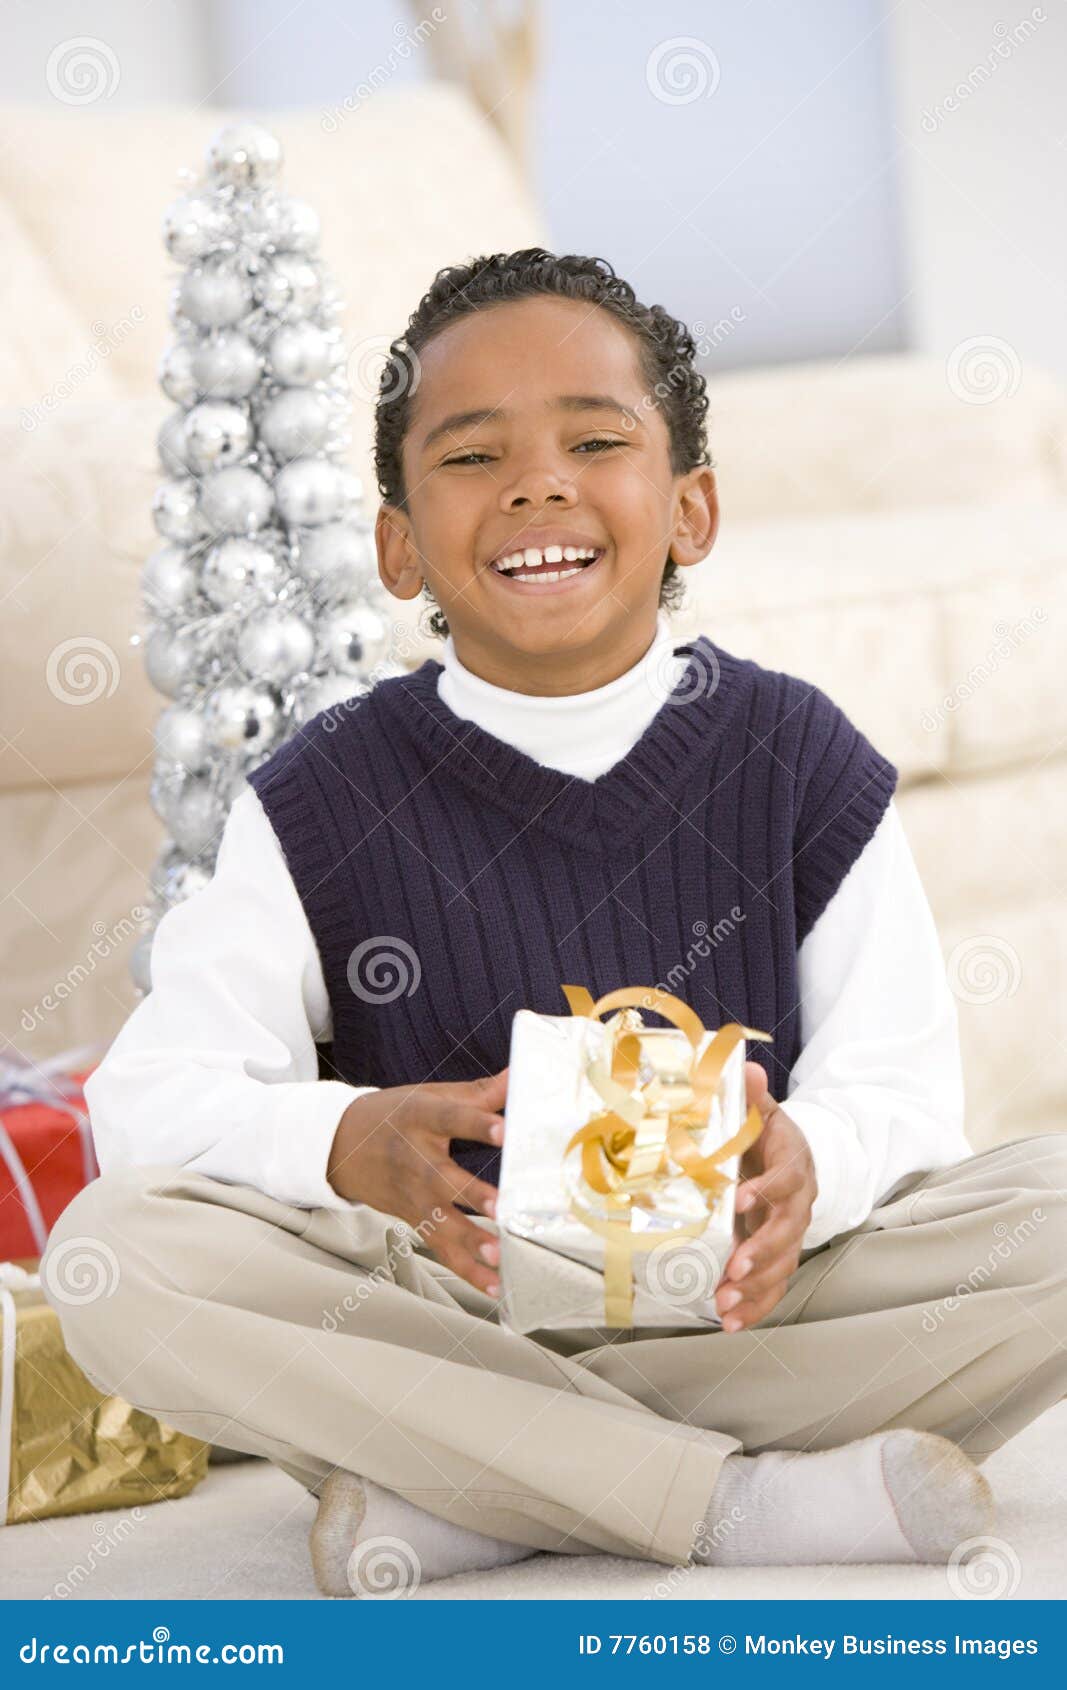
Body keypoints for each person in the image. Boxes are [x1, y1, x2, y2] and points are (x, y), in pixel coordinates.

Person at [45, 249, 1067, 1598]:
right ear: (397, 543)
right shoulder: (320, 794)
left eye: (596, 439)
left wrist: (810, 1157)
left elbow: (909, 1090)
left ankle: (493, 1493)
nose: (539, 483)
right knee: (122, 1252)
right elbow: (151, 1100)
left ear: (690, 508)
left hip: (747, 1309)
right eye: (473, 457)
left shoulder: (795, 756)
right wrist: (350, 1137)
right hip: (438, 1309)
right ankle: (735, 1503)